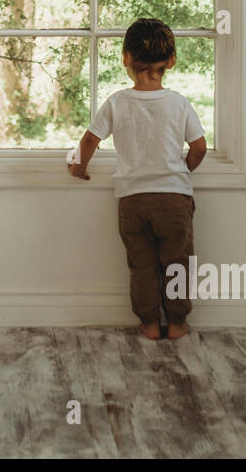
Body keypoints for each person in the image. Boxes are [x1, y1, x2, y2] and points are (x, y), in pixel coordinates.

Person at [68, 19, 207, 340]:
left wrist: (78, 167)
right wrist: (184, 169)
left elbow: (89, 141)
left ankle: (148, 322)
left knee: (141, 266)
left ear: (125, 57)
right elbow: (199, 148)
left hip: (132, 201)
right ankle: (176, 322)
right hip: (173, 199)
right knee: (177, 265)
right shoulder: (179, 103)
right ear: (171, 61)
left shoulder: (117, 102)